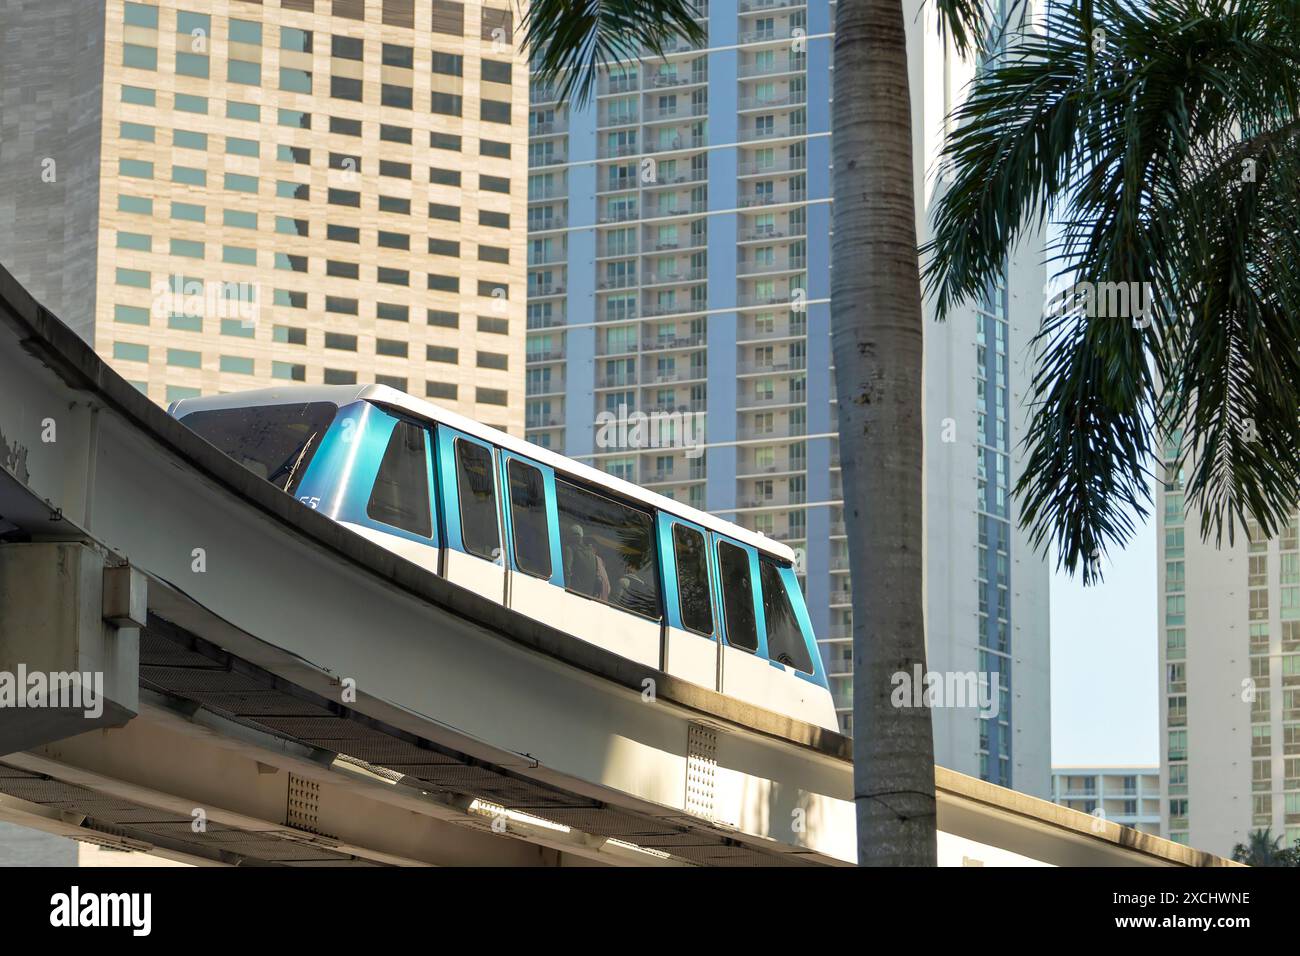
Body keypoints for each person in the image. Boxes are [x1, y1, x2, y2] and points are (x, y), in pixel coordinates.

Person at [565, 524, 610, 601]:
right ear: (582, 537)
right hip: (587, 598)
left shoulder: (569, 549)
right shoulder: (593, 556)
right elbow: (599, 581)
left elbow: (567, 572)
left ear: (569, 536)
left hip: (572, 595)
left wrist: (565, 590)